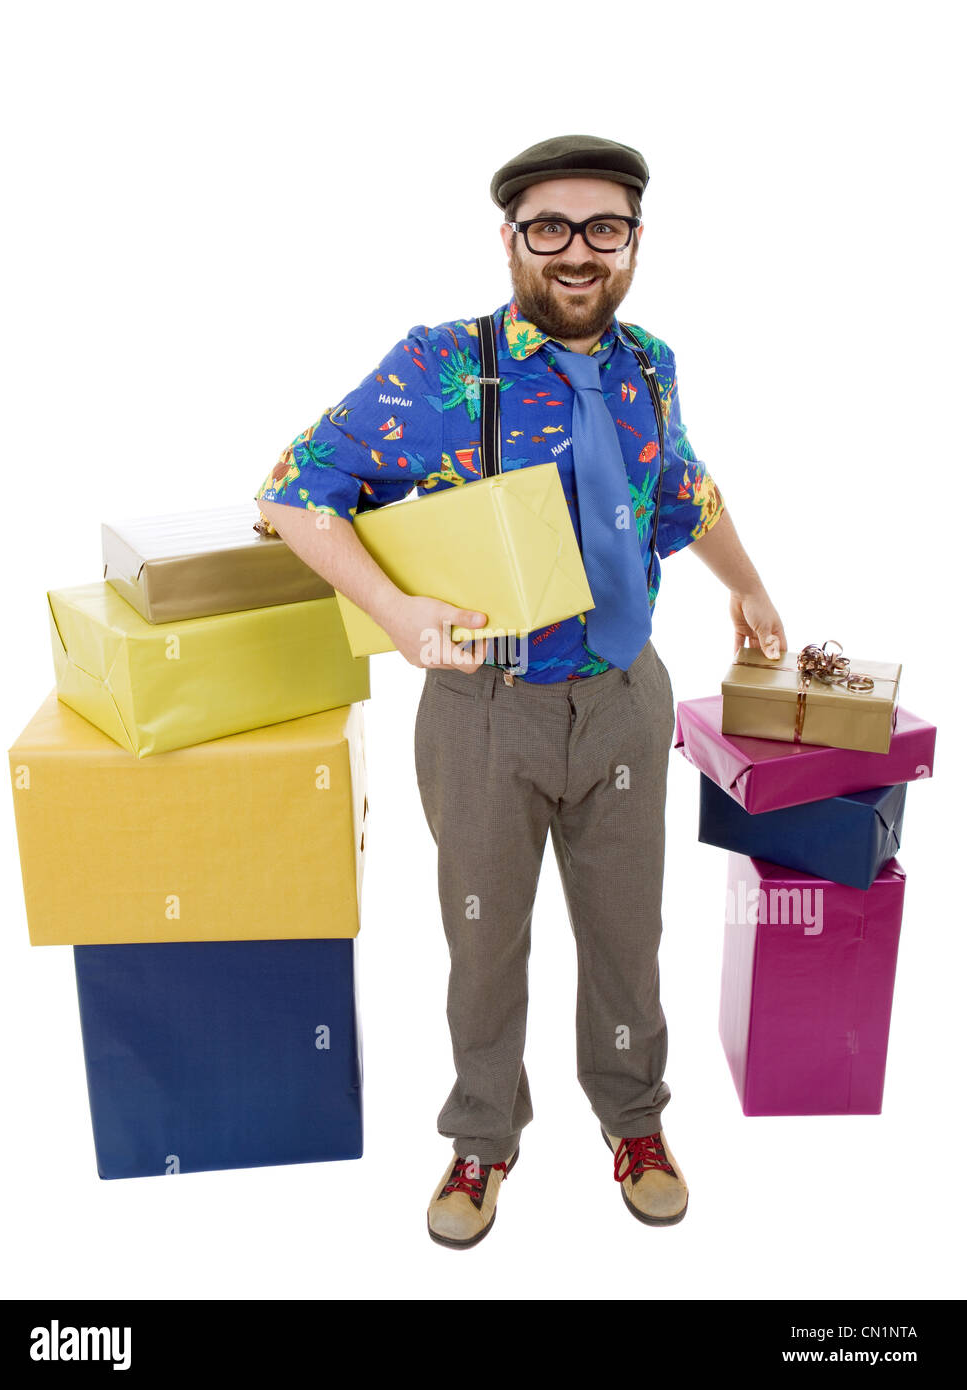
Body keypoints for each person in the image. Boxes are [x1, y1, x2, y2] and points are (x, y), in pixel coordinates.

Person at [254, 134, 787, 1249]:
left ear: (634, 242)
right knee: (483, 938)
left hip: (629, 700)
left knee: (627, 933)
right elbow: (295, 493)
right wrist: (397, 617)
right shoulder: (444, 366)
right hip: (485, 713)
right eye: (551, 227)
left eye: (605, 227)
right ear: (512, 239)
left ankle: (634, 1121)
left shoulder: (649, 363)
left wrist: (751, 588)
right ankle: (482, 1136)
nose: (578, 251)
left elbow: (683, 490)